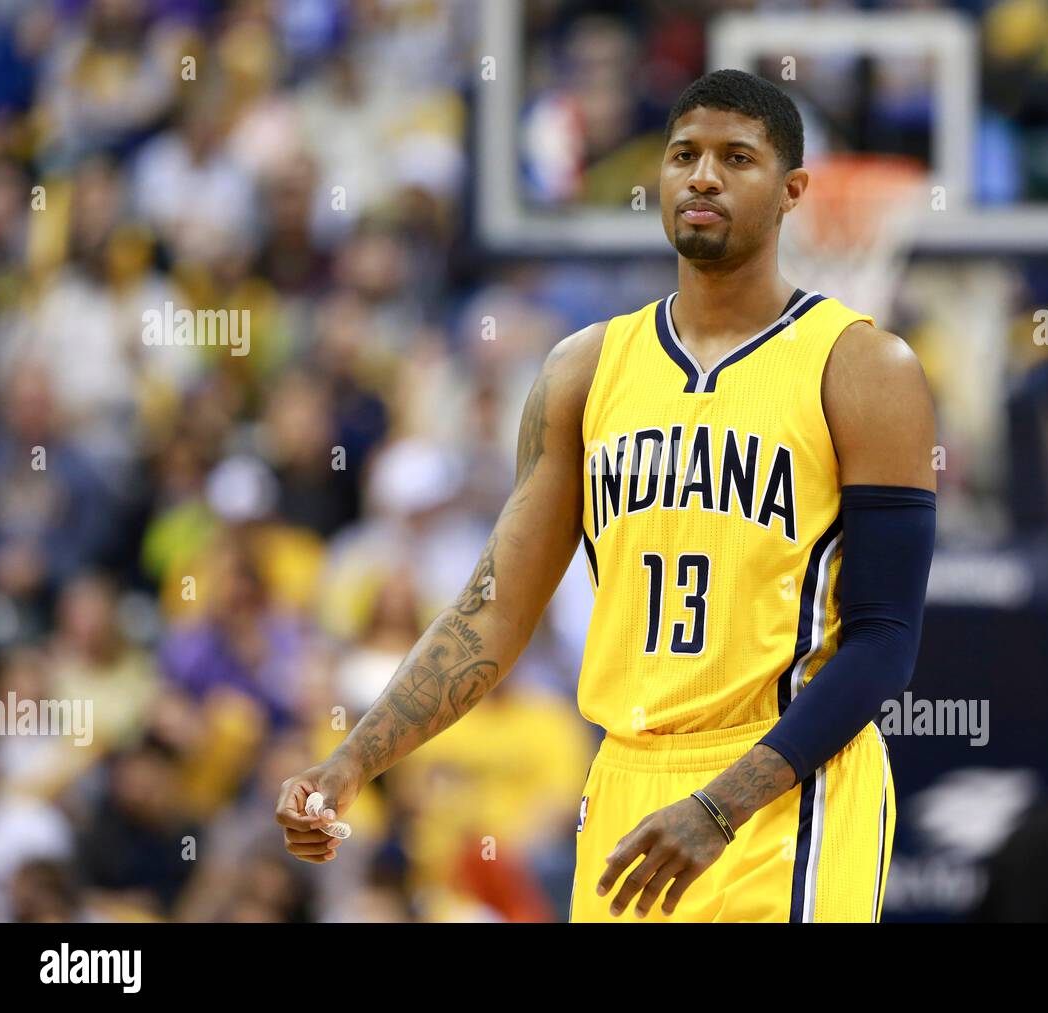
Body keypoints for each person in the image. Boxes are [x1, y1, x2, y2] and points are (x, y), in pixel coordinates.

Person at [275, 69, 937, 923]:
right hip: (626, 779)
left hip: (786, 787)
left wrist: (719, 807)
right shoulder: (583, 370)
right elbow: (491, 609)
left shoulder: (864, 368)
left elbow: (883, 642)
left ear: (792, 192)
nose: (703, 177)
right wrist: (353, 761)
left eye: (737, 158)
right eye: (684, 155)